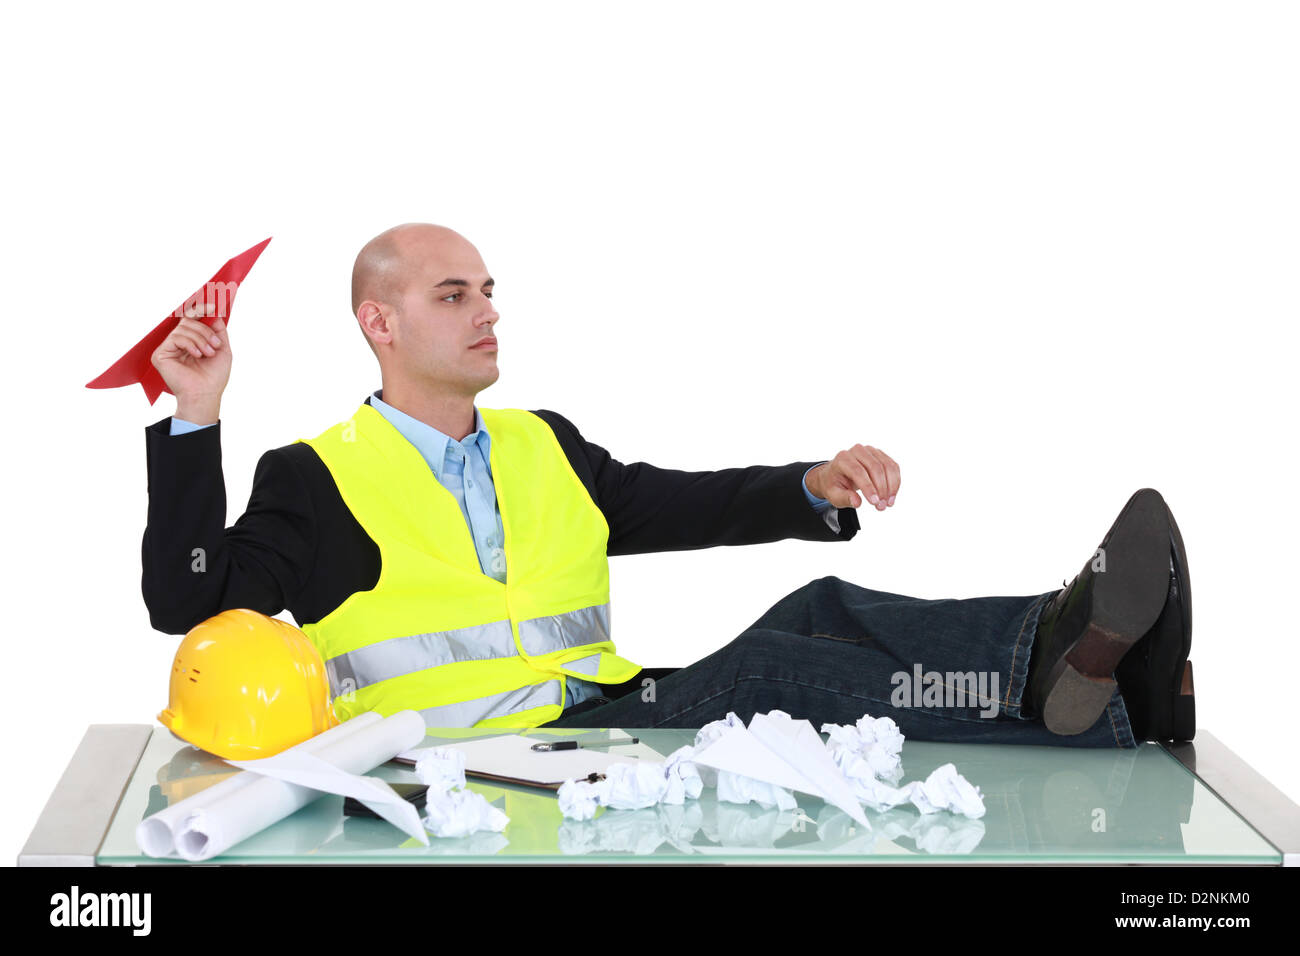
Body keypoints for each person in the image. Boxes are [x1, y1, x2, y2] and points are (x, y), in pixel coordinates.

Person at [141, 223, 1194, 749]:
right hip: (481, 760)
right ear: (380, 324)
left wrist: (808, 486)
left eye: (489, 292)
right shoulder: (319, 476)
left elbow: (677, 502)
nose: (486, 311)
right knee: (775, 669)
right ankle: (1090, 689)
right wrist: (196, 417)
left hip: (601, 713)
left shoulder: (538, 441)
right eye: (453, 294)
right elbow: (190, 601)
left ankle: (1077, 654)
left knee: (817, 610)